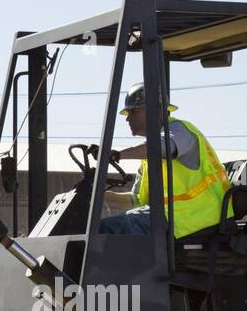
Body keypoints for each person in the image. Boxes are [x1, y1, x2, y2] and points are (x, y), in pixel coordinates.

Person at [95, 82, 231, 238]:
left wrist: (116, 155)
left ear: (154, 109)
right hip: (172, 217)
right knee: (103, 226)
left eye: (133, 112)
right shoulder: (148, 156)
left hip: (197, 218)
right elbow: (136, 201)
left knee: (111, 230)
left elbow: (162, 147)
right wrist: (98, 194)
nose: (127, 119)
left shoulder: (180, 131)